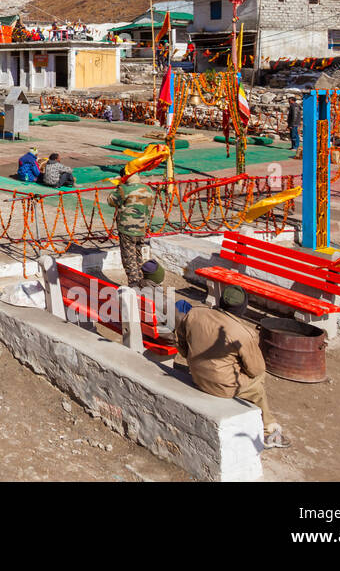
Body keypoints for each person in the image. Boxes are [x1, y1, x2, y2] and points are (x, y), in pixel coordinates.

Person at [176, 287, 289, 449]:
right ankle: (268, 431)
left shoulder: (195, 313)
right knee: (258, 384)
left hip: (196, 374)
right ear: (242, 309)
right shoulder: (243, 333)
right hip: (222, 386)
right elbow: (255, 370)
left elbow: (181, 344)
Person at [107, 170, 155, 286]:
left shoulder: (124, 189)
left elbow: (111, 201)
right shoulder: (148, 189)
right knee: (138, 255)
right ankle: (142, 280)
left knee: (129, 257)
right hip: (141, 228)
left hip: (127, 229)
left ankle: (134, 284)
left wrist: (119, 186)